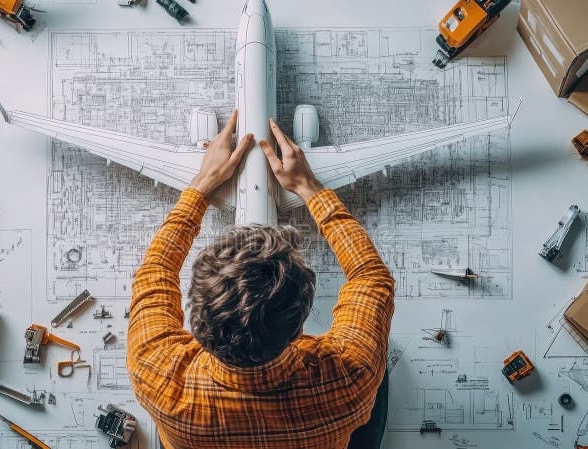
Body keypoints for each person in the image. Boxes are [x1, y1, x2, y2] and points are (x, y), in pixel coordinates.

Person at [127, 110, 395, 449]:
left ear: (196, 324)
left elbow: (155, 273)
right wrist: (308, 188)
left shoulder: (159, 378)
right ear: (299, 331)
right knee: (378, 355)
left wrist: (202, 184)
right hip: (325, 419)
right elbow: (371, 278)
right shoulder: (350, 377)